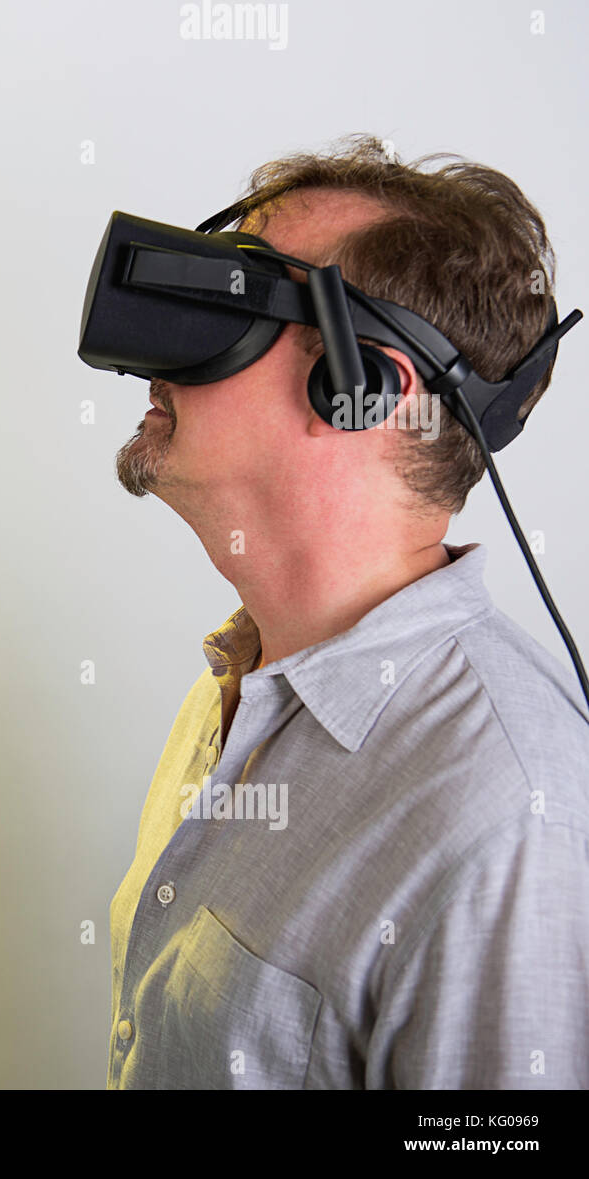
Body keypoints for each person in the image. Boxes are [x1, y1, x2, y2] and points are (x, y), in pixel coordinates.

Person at [108, 136, 589, 1089]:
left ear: (364, 388)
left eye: (227, 305)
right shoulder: (236, 688)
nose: (150, 351)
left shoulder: (507, 822)